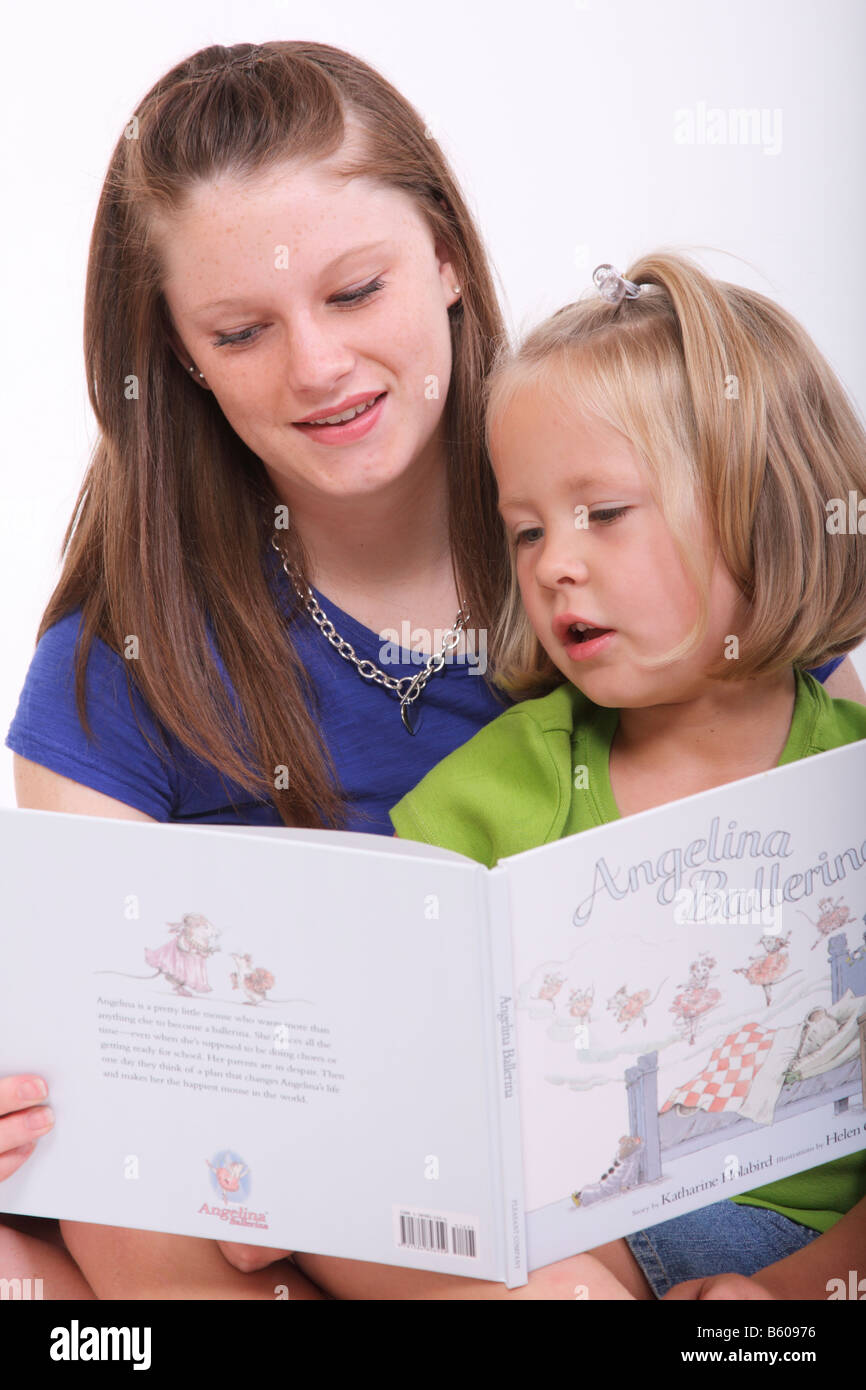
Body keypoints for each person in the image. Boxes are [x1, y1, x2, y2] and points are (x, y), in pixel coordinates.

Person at [0, 40, 861, 1298]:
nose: (317, 367)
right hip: (308, 1223)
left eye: (357, 292)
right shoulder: (123, 665)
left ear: (447, 257)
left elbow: (805, 741)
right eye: (240, 330)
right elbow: (93, 1084)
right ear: (178, 355)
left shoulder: (659, 541)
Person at [383, 252, 866, 1299]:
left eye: (601, 512)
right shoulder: (495, 788)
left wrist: (791, 1292)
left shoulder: (848, 775)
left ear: (762, 507)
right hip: (562, 1253)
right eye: (525, 529)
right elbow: (409, 1078)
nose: (554, 560)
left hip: (814, 1254)